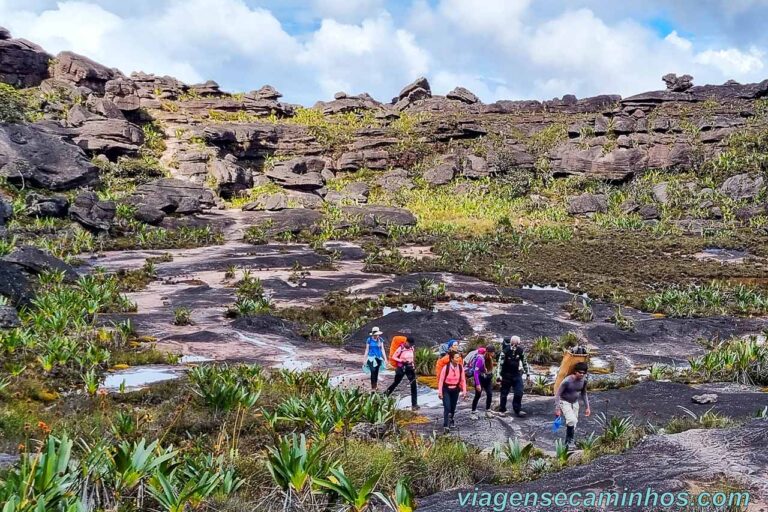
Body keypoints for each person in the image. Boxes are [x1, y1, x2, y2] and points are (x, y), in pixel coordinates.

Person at [554, 361, 591, 450]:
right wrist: (557, 408)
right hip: (564, 401)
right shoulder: (567, 381)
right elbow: (558, 394)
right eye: (580, 372)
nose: (582, 375)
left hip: (575, 403)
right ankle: (570, 442)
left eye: (584, 373)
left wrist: (587, 407)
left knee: (574, 424)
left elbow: (584, 393)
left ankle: (567, 442)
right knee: (571, 420)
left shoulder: (584, 381)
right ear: (575, 371)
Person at [496, 336, 530, 417]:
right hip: (506, 374)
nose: (516, 346)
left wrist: (528, 374)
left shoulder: (520, 351)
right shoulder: (505, 351)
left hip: (516, 374)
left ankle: (517, 409)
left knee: (519, 391)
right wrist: (498, 376)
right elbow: (499, 364)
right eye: (515, 344)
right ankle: (502, 410)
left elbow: (525, 362)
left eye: (517, 344)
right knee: (504, 393)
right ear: (512, 343)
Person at [385, 336, 418, 410]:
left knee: (413, 385)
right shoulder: (401, 348)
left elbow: (411, 358)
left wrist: (413, 366)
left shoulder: (411, 348)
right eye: (410, 344)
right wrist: (401, 361)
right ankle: (385, 395)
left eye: (412, 345)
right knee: (396, 383)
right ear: (406, 342)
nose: (410, 346)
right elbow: (394, 357)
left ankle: (414, 404)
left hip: (410, 368)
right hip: (401, 368)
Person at [437, 351, 467, 433]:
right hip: (446, 389)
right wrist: (440, 392)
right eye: (456, 357)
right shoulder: (445, 368)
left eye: (459, 357)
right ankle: (446, 425)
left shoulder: (460, 368)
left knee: (453, 407)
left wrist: (464, 391)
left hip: (455, 390)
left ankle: (451, 419)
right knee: (447, 407)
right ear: (451, 359)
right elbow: (441, 381)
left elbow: (463, 380)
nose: (458, 359)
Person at [470, 346, 496, 420]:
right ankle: (473, 412)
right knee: (478, 395)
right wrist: (478, 384)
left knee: (490, 394)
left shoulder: (490, 358)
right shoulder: (480, 359)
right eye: (492, 352)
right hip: (480, 379)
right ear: (489, 352)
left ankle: (488, 410)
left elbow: (490, 369)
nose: (493, 354)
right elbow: (476, 372)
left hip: (487, 379)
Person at [363, 327, 387, 391]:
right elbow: (367, 349)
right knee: (373, 370)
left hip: (378, 358)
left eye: (377, 334)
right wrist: (364, 359)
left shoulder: (380, 339)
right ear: (373, 334)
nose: (376, 336)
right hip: (371, 358)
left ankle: (375, 386)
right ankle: (373, 386)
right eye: (375, 334)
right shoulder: (369, 340)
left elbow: (382, 349)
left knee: (376, 372)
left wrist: (385, 358)